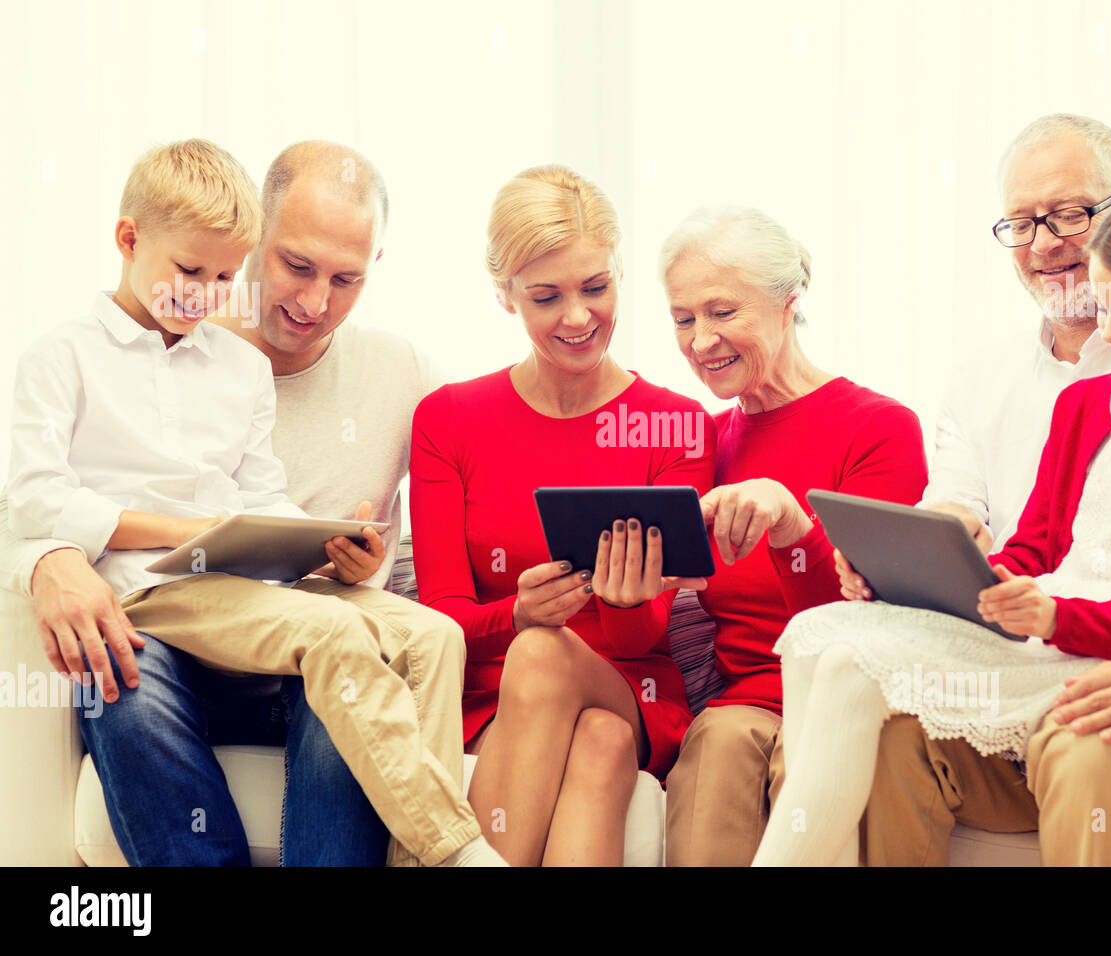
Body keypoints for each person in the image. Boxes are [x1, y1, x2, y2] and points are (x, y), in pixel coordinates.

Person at [761, 127, 1111, 864]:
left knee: (1093, 741)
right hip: (1034, 651)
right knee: (858, 675)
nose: (1044, 242)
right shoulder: (1015, 387)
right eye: (1022, 221)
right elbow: (978, 523)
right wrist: (906, 572)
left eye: (1070, 213)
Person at [2, 139, 498, 867]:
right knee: (336, 637)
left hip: (239, 588)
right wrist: (179, 529)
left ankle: (409, 859)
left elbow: (261, 493)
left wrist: (331, 546)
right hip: (151, 589)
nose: (204, 293)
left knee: (432, 637)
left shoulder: (238, 366)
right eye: (190, 271)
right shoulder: (63, 356)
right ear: (128, 239)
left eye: (221, 276)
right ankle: (458, 851)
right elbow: (33, 496)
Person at [410, 164, 715, 866]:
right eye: (546, 296)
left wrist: (624, 600)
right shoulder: (449, 419)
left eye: (596, 288)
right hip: (495, 704)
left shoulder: (675, 425)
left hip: (630, 683)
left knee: (553, 660)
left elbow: (646, 637)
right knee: (596, 737)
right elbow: (441, 621)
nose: (578, 318)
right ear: (504, 294)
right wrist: (514, 617)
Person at [658, 205, 929, 866]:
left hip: (847, 699)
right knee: (719, 741)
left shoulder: (879, 428)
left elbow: (858, 628)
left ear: (788, 303)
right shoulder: (703, 442)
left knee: (807, 762)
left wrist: (793, 527)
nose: (700, 341)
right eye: (683, 318)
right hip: (743, 701)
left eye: (723, 312)